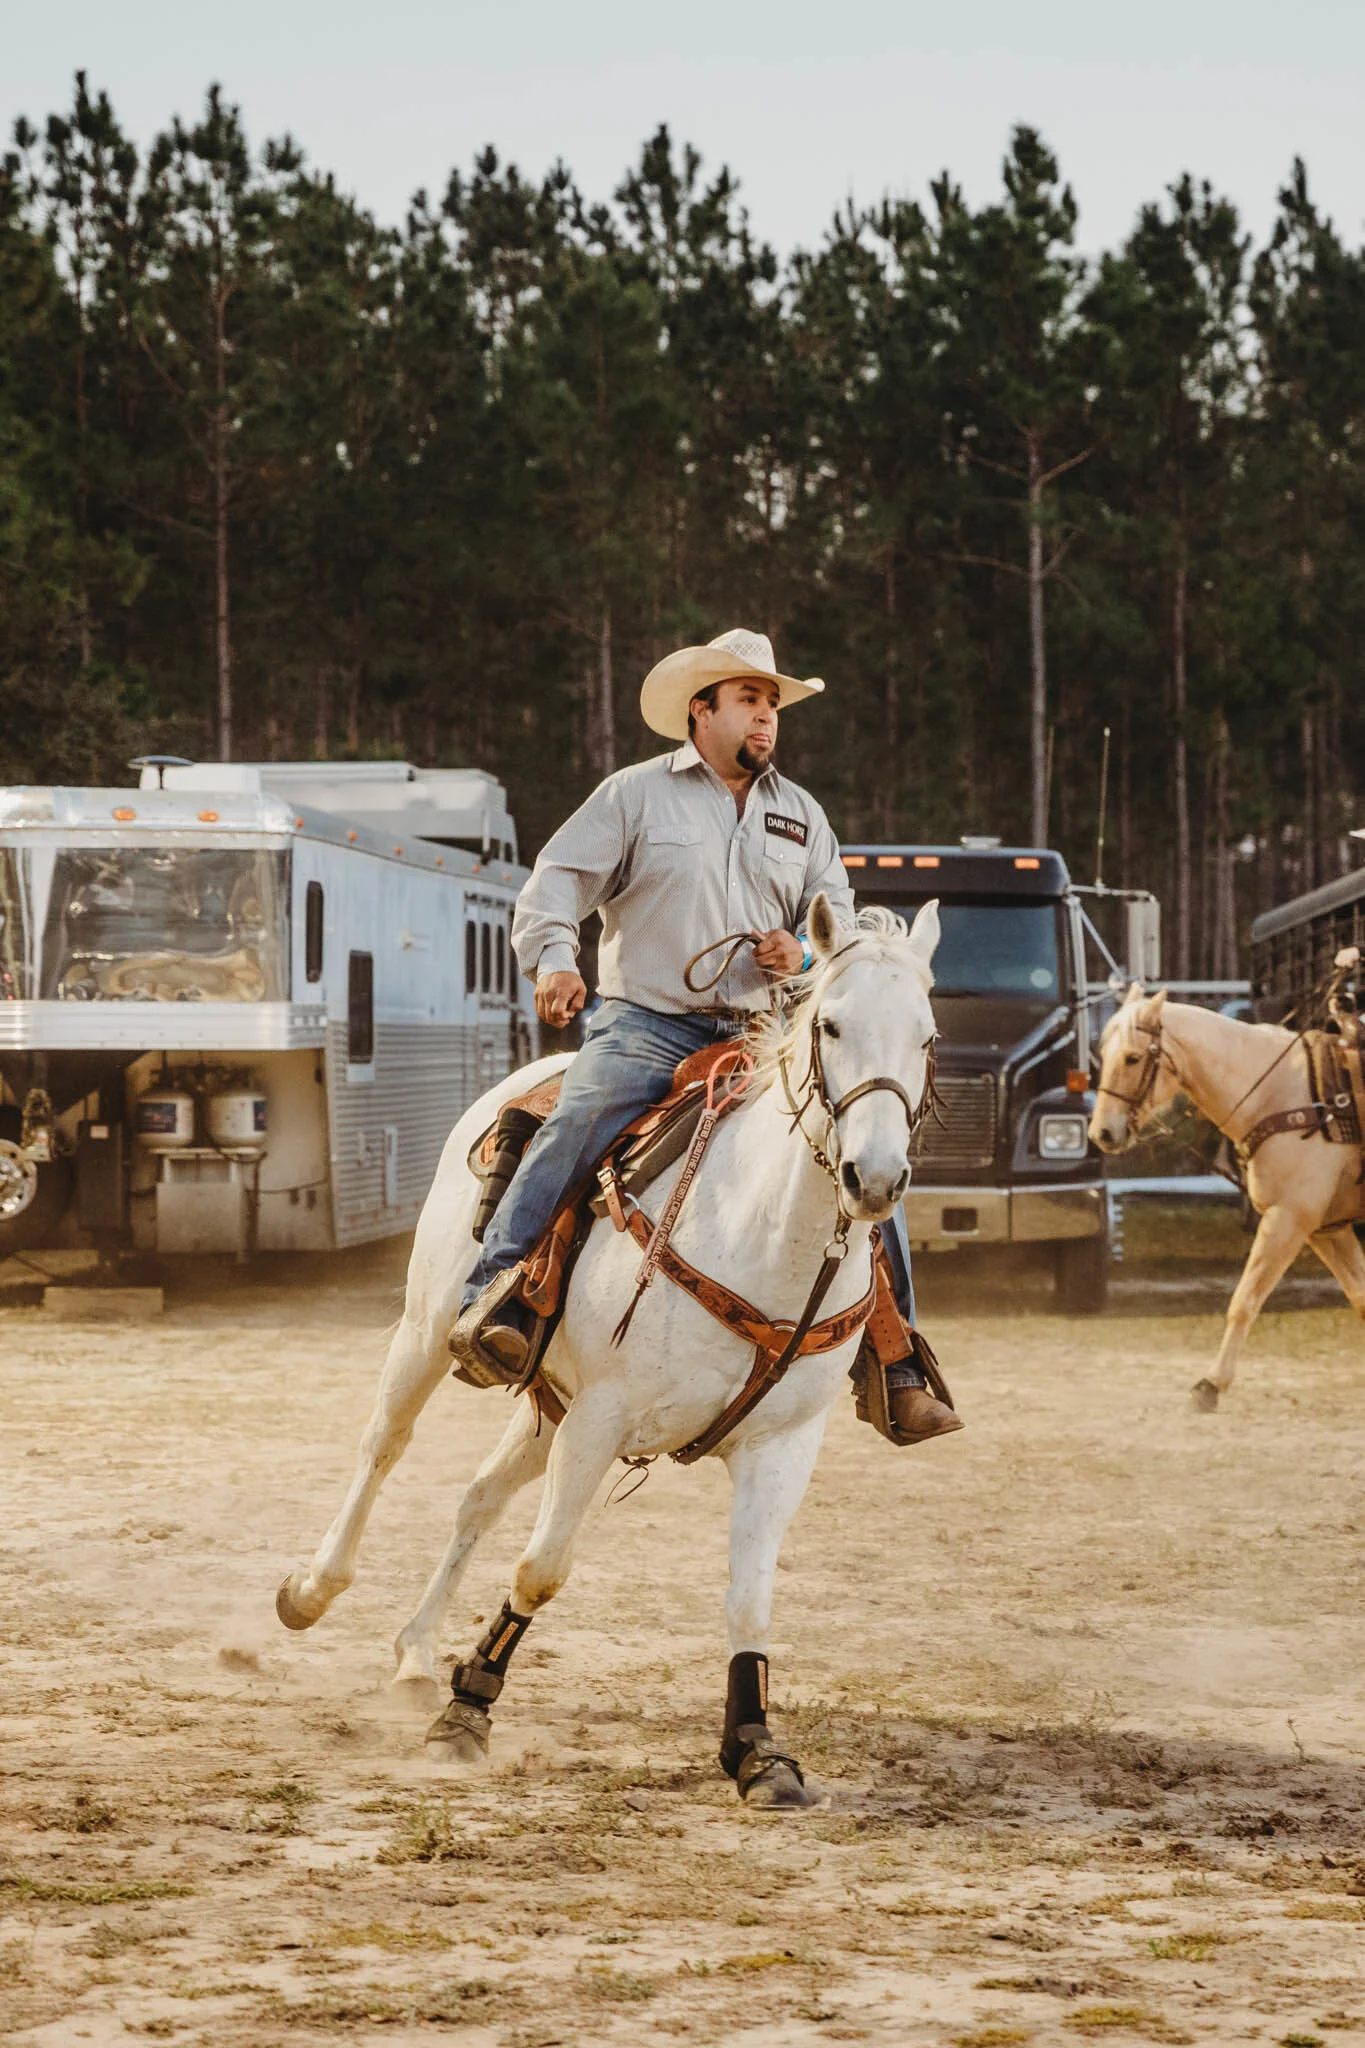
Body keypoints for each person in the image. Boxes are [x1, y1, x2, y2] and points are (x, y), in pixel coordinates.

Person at [450, 627, 958, 1444]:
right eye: (750, 701)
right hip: (646, 1023)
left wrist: (800, 951)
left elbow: (838, 928)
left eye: (773, 706)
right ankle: (500, 1294)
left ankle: (894, 1361)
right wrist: (552, 959)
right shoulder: (633, 797)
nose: (767, 720)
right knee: (579, 1117)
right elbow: (554, 885)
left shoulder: (802, 816)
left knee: (868, 1156)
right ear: (702, 710)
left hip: (766, 1033)